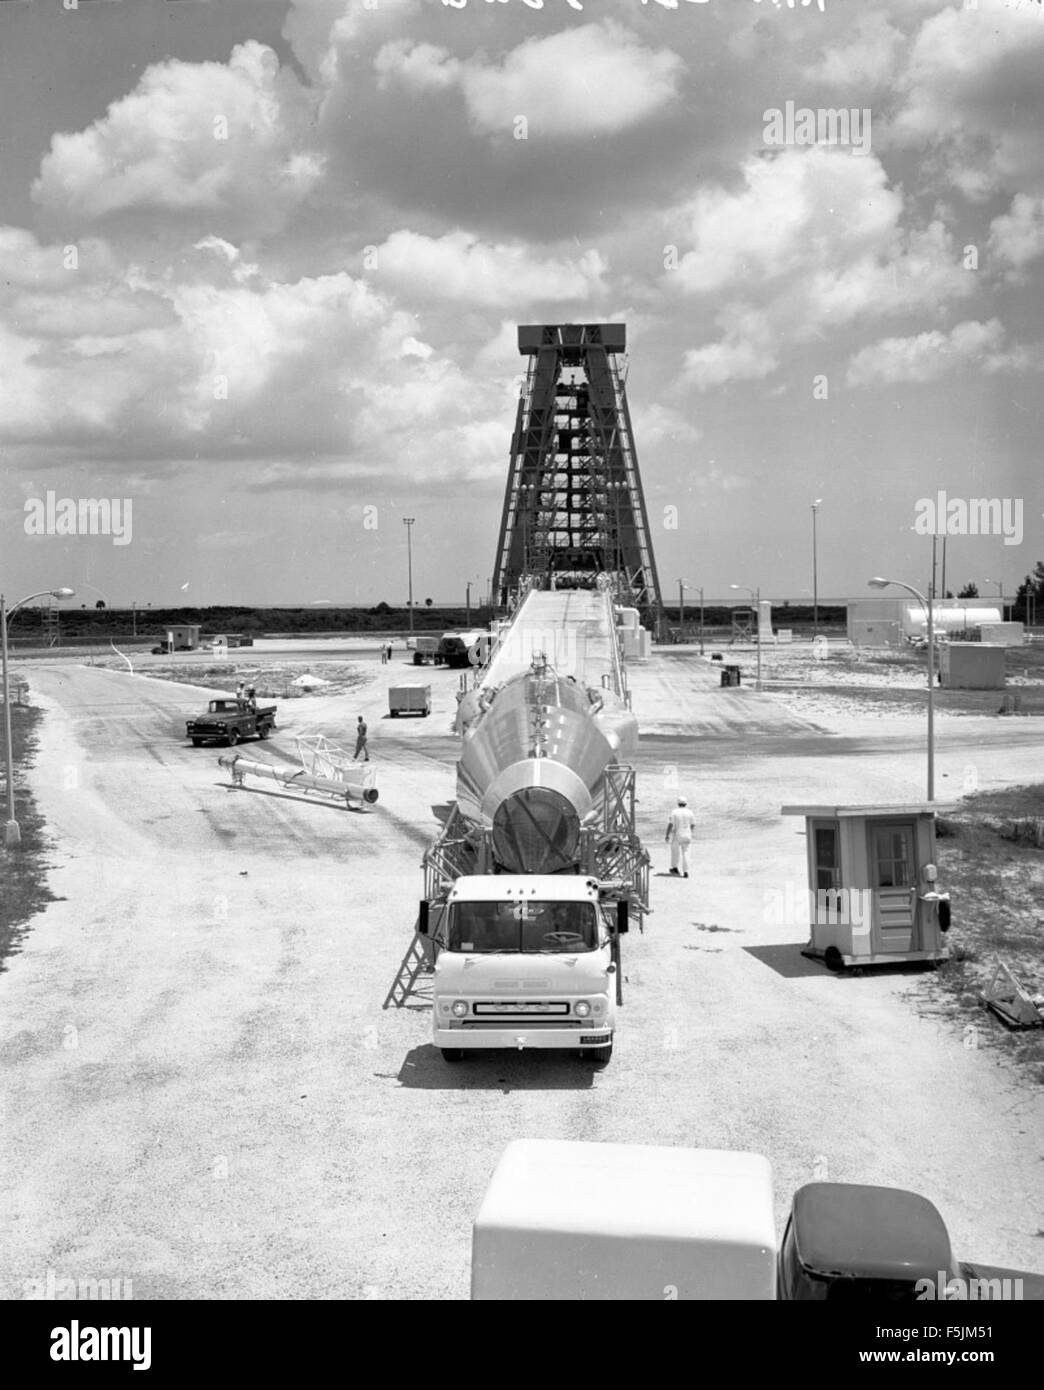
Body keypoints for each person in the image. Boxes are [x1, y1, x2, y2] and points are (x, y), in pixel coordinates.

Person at [665, 797, 697, 877]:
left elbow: (671, 824)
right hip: (687, 834)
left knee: (675, 852)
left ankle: (675, 868)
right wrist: (690, 831)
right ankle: (686, 872)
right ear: (686, 804)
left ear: (678, 803)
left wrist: (667, 834)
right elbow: (693, 824)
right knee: (686, 853)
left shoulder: (674, 812)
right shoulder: (690, 812)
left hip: (677, 834)